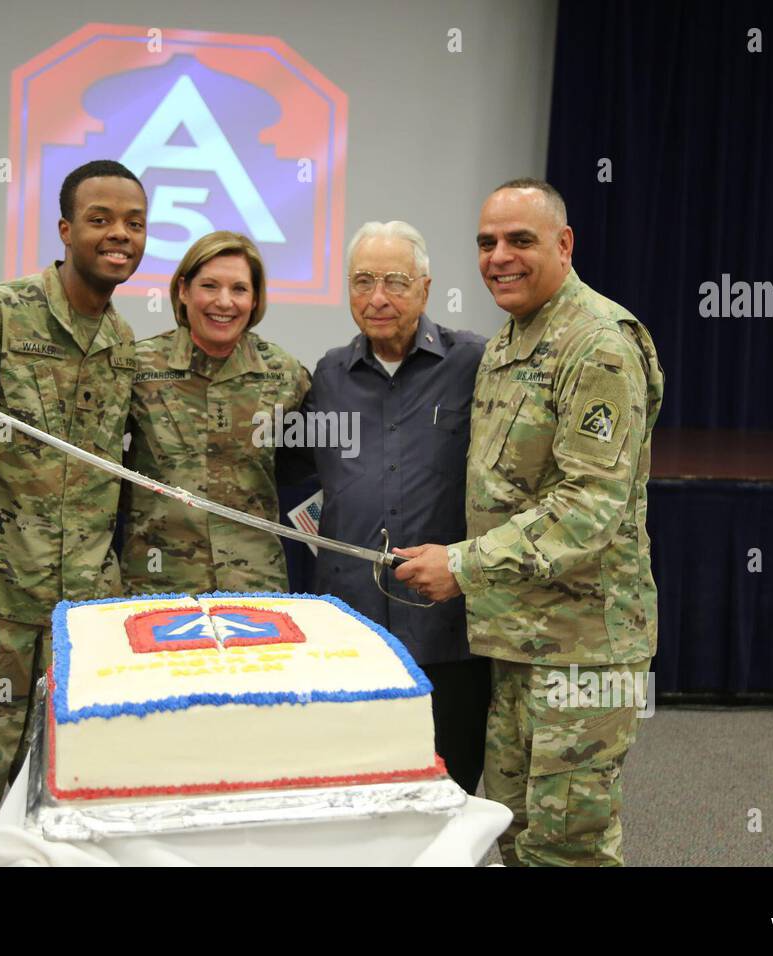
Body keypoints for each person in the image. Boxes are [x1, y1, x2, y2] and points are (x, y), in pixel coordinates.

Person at [394, 178, 665, 866]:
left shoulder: (597, 345)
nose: (498, 257)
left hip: (583, 654)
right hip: (517, 641)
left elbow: (588, 511)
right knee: (515, 836)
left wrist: (460, 566)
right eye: (487, 242)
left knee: (566, 848)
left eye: (520, 240)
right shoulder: (513, 340)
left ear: (564, 244)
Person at [0, 159, 145, 866]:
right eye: (101, 219)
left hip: (79, 628)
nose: (120, 235)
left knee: (64, 817)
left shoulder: (121, 343)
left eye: (134, 223)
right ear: (66, 229)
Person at [304, 220, 489, 793]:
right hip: (350, 629)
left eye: (394, 281)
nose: (377, 297)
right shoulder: (329, 374)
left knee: (450, 791)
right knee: (352, 790)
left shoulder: (475, 364)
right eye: (362, 281)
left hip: (446, 631)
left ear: (426, 289)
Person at [121, 231, 310, 593]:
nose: (224, 302)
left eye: (239, 289)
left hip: (256, 586)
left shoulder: (285, 375)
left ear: (255, 300)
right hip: (158, 584)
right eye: (209, 286)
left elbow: (309, 469)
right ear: (182, 290)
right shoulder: (138, 368)